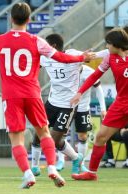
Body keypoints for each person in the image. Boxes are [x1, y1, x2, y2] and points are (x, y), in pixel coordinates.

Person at [0, 2, 94, 189]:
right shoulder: (36, 41)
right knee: (44, 132)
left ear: (11, 19)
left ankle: (28, 173)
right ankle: (52, 168)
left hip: (11, 96)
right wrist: (81, 57)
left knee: (17, 138)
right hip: (32, 94)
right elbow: (60, 57)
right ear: (29, 20)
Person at [30, 34, 106, 176]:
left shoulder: (73, 54)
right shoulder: (44, 58)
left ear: (52, 46)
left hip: (68, 105)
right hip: (52, 102)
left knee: (54, 139)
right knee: (38, 133)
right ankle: (34, 167)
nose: (44, 48)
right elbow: (30, 64)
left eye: (46, 45)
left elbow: (90, 57)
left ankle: (76, 158)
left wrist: (94, 54)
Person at [71, 27, 128, 181]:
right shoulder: (110, 57)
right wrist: (79, 92)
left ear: (116, 44)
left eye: (108, 44)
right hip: (121, 103)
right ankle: (91, 173)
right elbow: (94, 76)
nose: (107, 47)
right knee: (101, 137)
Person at [55, 64, 106, 172]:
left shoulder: (89, 72)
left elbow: (98, 89)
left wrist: (103, 108)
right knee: (61, 134)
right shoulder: (65, 70)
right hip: (66, 106)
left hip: (82, 107)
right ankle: (61, 161)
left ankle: (80, 164)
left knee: (83, 136)